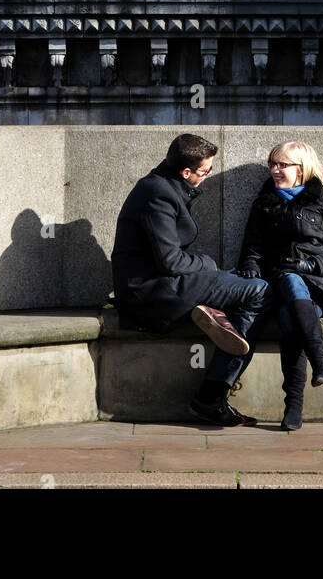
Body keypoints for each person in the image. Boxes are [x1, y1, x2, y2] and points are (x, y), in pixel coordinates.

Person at [111, 132, 272, 426]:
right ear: (187, 172)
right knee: (258, 291)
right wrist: (207, 264)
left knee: (241, 281)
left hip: (163, 284)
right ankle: (211, 397)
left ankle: (217, 320)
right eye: (206, 171)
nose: (208, 176)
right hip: (150, 293)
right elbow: (170, 260)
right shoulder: (158, 193)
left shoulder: (164, 186)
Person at [233, 140, 323, 431]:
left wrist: (310, 265)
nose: (275, 170)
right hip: (277, 283)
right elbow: (252, 249)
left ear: (302, 168)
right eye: (272, 164)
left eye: (282, 164)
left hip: (318, 286)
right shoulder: (264, 203)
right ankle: (319, 364)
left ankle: (294, 405)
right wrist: (251, 269)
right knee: (288, 281)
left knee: (291, 315)